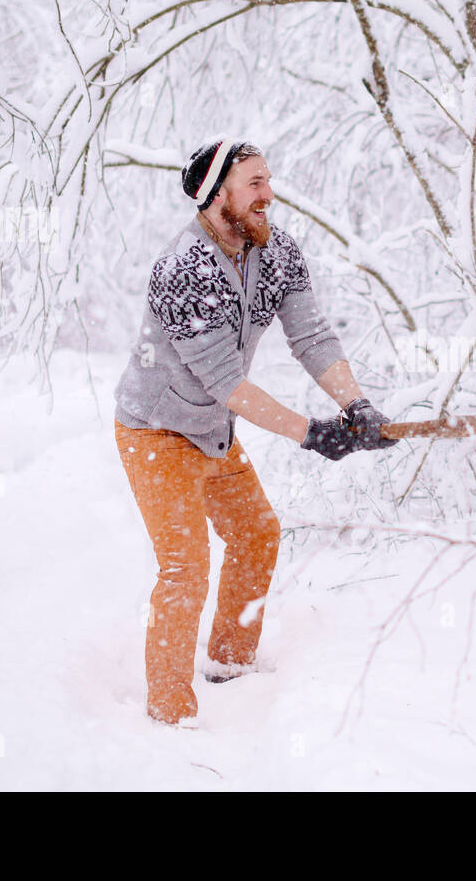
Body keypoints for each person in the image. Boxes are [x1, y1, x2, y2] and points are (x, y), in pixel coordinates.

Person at [113, 138, 396, 725]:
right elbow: (224, 380)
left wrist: (357, 405)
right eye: (255, 184)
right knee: (185, 566)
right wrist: (310, 432)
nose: (270, 194)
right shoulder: (182, 270)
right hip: (157, 433)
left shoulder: (277, 252)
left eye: (269, 181)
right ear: (218, 196)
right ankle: (170, 713)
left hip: (212, 430)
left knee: (257, 532)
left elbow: (312, 337)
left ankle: (230, 663)